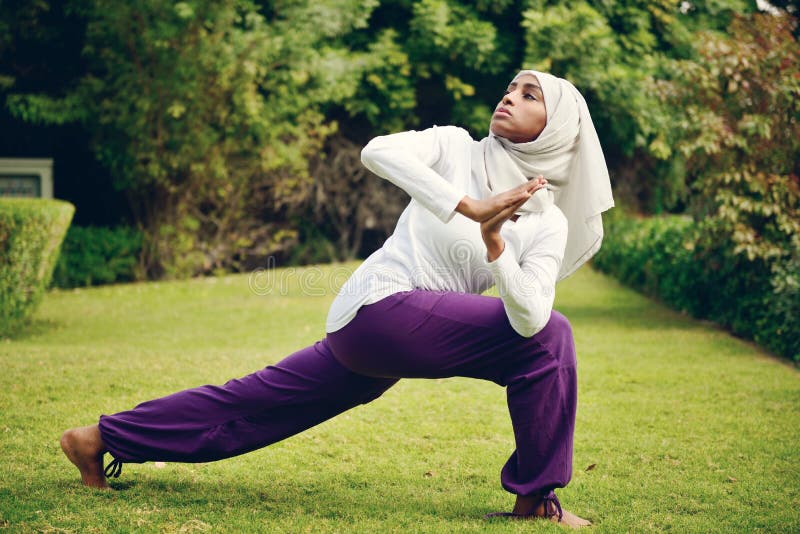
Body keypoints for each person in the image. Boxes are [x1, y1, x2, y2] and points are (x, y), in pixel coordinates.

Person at [60, 70, 614, 529]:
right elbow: (378, 151)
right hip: (379, 309)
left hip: (391, 339)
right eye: (510, 88)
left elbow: (528, 316)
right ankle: (536, 501)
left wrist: (495, 245)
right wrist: (470, 207)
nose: (509, 97)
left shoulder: (548, 223)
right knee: (552, 339)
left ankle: (99, 439)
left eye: (529, 94)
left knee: (253, 408)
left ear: (558, 128)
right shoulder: (453, 147)